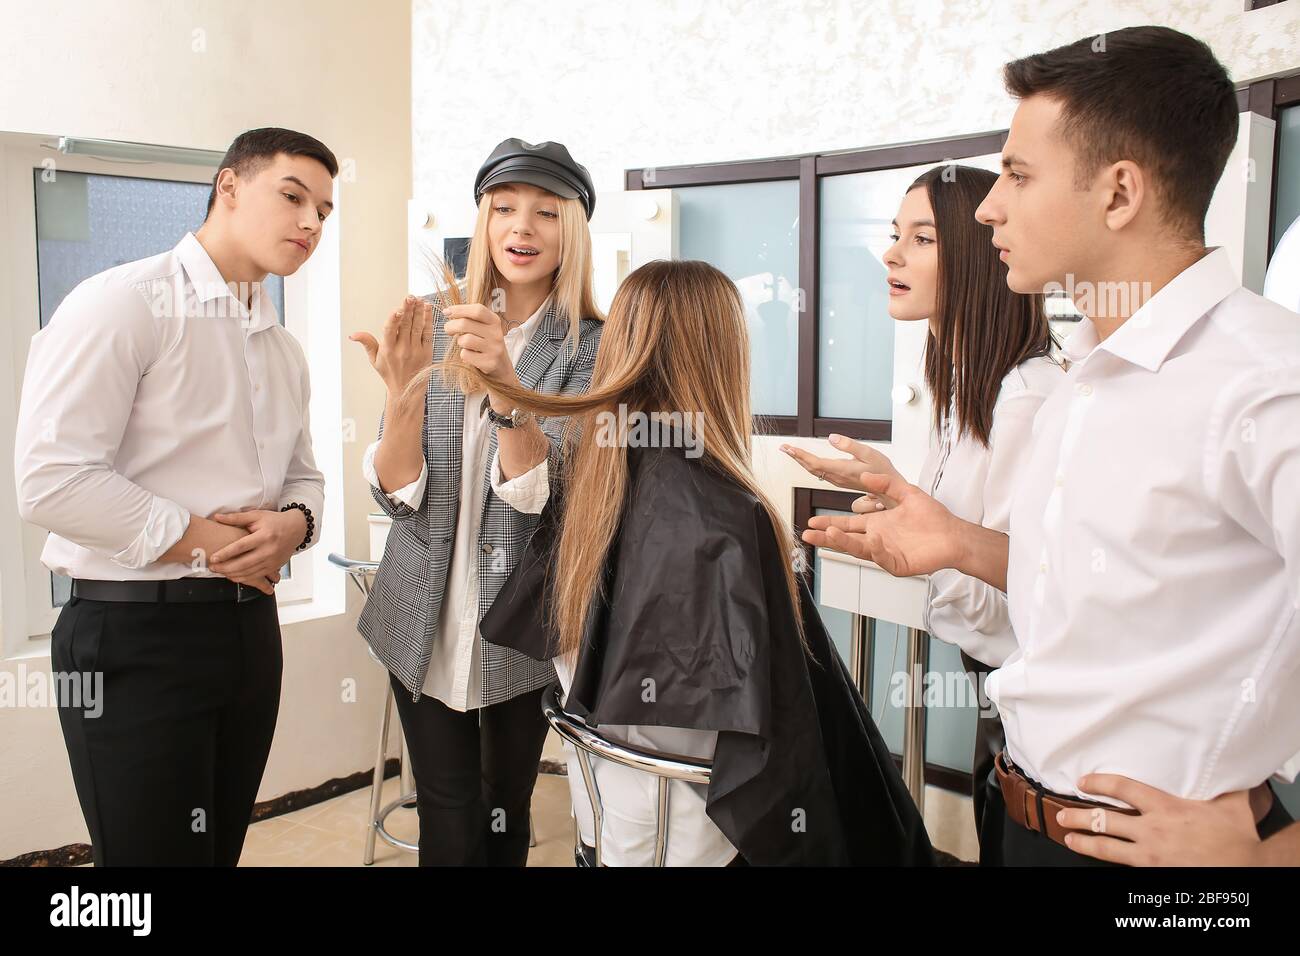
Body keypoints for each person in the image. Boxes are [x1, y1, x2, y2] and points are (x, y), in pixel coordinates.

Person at [805, 26, 1299, 866]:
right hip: (1029, 819)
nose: (990, 205)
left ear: (1119, 194)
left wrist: (1272, 852)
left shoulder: (1264, 384)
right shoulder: (1088, 379)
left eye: (1018, 175)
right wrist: (957, 541)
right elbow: (1097, 588)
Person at [478, 259, 935, 866]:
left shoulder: (589, 492)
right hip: (699, 836)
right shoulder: (731, 517)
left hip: (612, 823)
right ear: (723, 359)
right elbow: (776, 737)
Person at [14, 127, 334, 865]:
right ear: (228, 187)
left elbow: (304, 478)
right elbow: (52, 479)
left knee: (214, 852)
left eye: (323, 209)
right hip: (133, 637)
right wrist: (213, 542)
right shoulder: (122, 302)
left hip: (251, 632)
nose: (311, 223)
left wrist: (295, 525)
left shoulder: (281, 348)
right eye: (292, 196)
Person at [781, 164, 1064, 862]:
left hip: (1036, 695)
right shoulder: (962, 381)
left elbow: (1036, 589)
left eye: (923, 238)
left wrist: (935, 542)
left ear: (978, 254)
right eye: (893, 234)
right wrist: (903, 500)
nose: (891, 254)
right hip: (992, 682)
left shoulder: (1027, 395)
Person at [351, 138, 603, 866]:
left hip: (519, 625)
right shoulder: (431, 319)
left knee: (503, 810)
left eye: (546, 213)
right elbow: (399, 496)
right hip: (416, 619)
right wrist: (400, 395)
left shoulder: (592, 346)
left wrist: (502, 385)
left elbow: (540, 500)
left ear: (572, 230)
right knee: (446, 811)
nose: (522, 228)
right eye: (505, 209)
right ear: (484, 221)